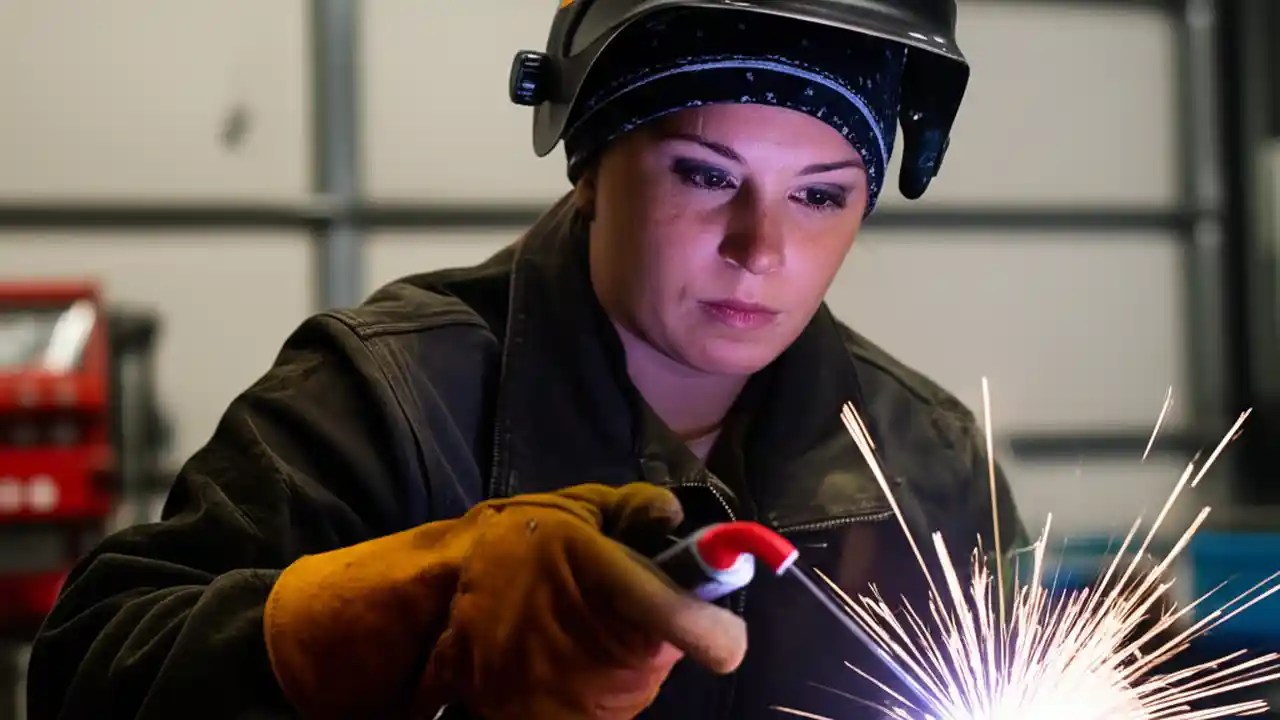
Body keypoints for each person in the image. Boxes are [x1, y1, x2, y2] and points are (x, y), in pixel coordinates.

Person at [26, 1, 1029, 718]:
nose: (758, 248)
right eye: (702, 173)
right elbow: (88, 675)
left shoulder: (921, 460)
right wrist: (421, 608)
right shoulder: (383, 399)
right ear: (589, 168)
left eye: (818, 195)